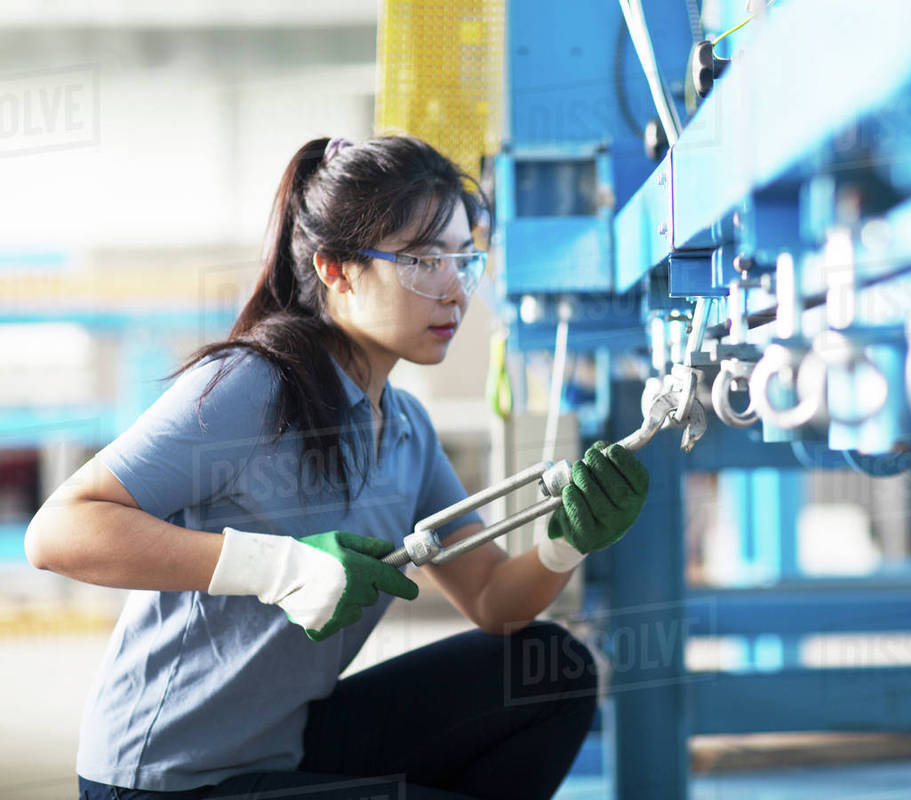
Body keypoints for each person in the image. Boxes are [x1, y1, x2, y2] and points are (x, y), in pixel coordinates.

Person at [25, 135, 650, 800]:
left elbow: (494, 601)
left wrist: (566, 542)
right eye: (421, 260)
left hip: (283, 741)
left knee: (553, 668)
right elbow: (58, 532)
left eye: (463, 260)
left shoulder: (405, 427)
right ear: (336, 269)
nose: (452, 291)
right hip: (167, 779)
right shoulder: (255, 386)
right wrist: (281, 567)